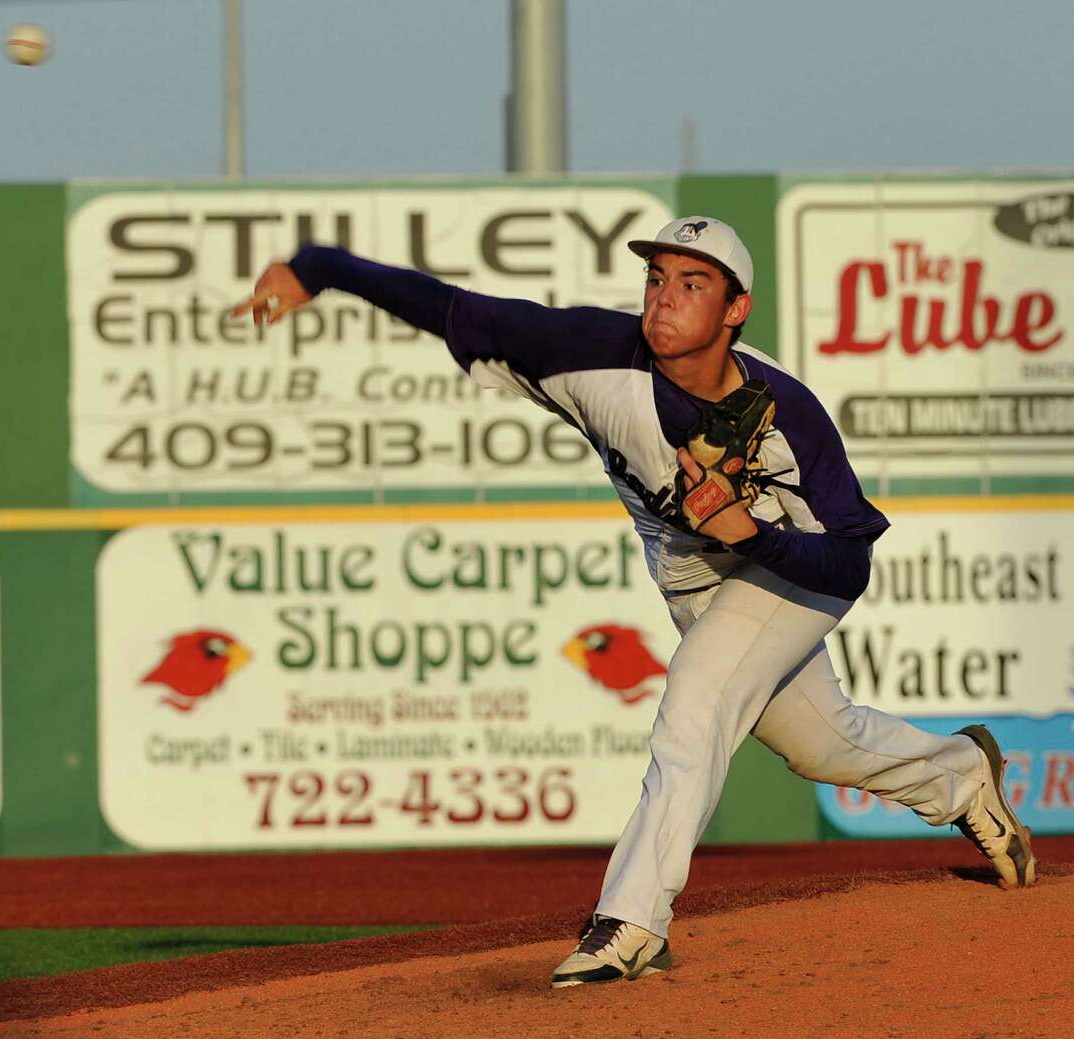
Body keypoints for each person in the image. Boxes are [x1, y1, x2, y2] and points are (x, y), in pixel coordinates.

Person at [232, 216, 1037, 989]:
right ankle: (962, 777)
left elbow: (848, 559)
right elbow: (448, 308)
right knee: (825, 747)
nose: (664, 296)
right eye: (656, 277)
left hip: (791, 579)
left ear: (736, 310)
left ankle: (632, 920)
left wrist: (751, 534)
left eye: (693, 283)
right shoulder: (586, 351)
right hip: (694, 585)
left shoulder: (791, 418)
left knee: (693, 708)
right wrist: (320, 270)